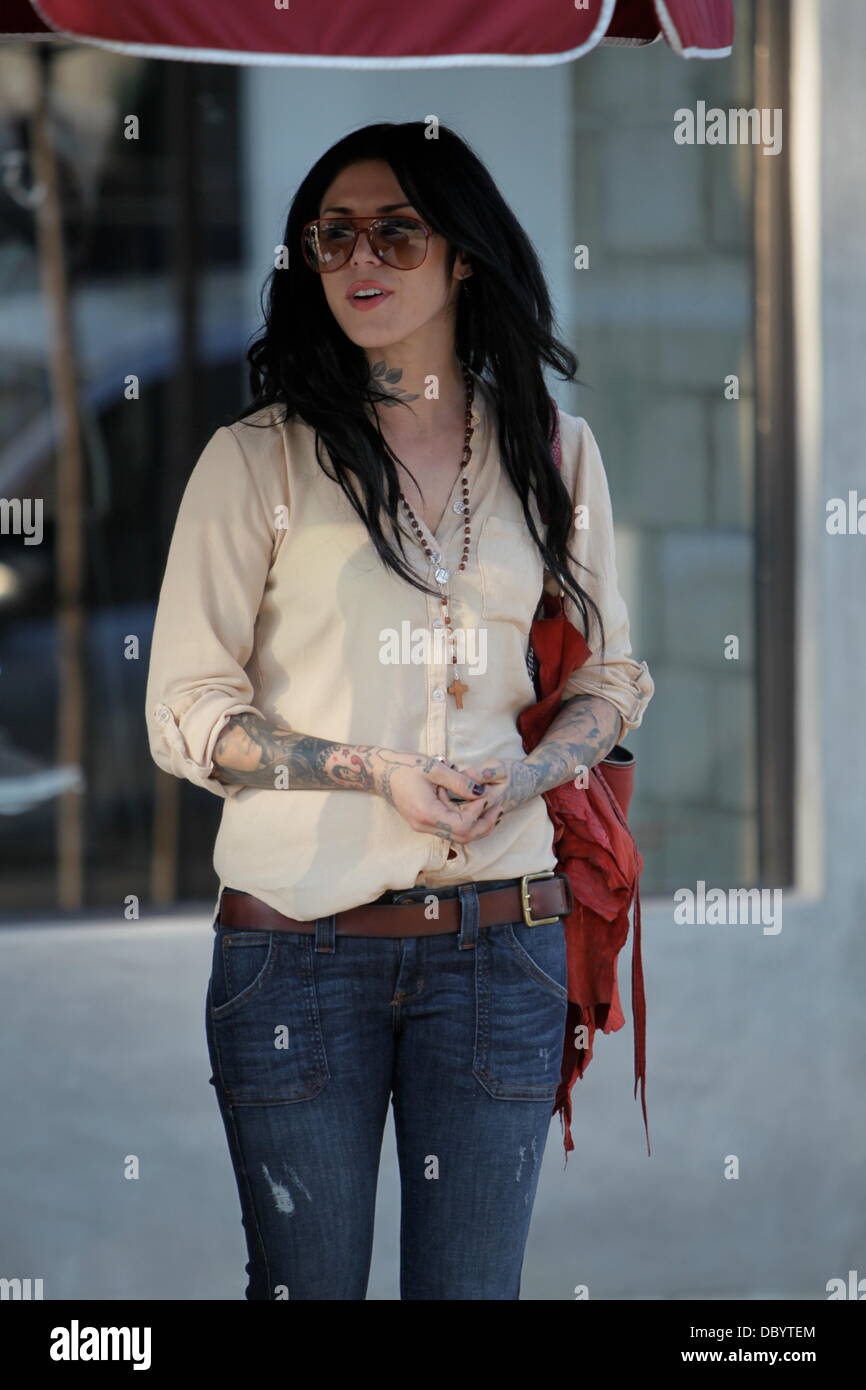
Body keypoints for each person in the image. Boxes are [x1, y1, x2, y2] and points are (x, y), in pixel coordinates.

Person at [144, 121, 654, 1301]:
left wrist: (527, 777)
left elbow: (609, 676)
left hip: (503, 943)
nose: (357, 256)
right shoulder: (255, 460)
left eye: (396, 229)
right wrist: (375, 769)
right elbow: (186, 711)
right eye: (330, 235)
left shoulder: (553, 452)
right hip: (297, 956)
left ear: (461, 254)